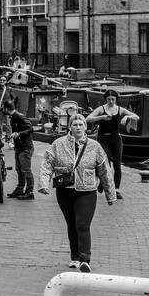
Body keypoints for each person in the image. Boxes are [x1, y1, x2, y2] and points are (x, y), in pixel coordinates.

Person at [39, 112, 116, 272]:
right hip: (64, 191)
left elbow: (104, 170)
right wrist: (43, 184)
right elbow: (47, 163)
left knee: (82, 224)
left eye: (81, 124)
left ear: (86, 127)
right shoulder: (58, 144)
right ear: (70, 127)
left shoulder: (95, 146)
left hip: (86, 191)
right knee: (71, 224)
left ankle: (85, 259)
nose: (78, 127)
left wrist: (110, 194)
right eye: (75, 124)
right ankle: (74, 257)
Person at [85, 90, 138, 197]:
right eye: (109, 99)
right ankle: (104, 182)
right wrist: (101, 117)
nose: (111, 101)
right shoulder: (102, 109)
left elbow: (136, 117)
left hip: (116, 138)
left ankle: (116, 190)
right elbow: (88, 119)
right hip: (103, 138)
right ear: (106, 99)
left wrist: (126, 117)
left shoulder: (120, 109)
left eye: (113, 99)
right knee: (107, 163)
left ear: (116, 99)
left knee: (117, 165)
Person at [7, 99, 36, 199]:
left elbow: (30, 129)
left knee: (26, 170)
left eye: (3, 108)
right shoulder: (12, 117)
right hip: (19, 147)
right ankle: (20, 189)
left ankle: (30, 191)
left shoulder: (20, 116)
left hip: (25, 147)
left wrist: (18, 134)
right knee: (19, 169)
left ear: (7, 109)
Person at [0, 74, 12, 148]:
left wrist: (9, 103)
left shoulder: (9, 89)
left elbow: (12, 98)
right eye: (1, 80)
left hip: (6, 109)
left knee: (8, 125)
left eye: (4, 80)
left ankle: (9, 140)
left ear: (6, 81)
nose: (2, 81)